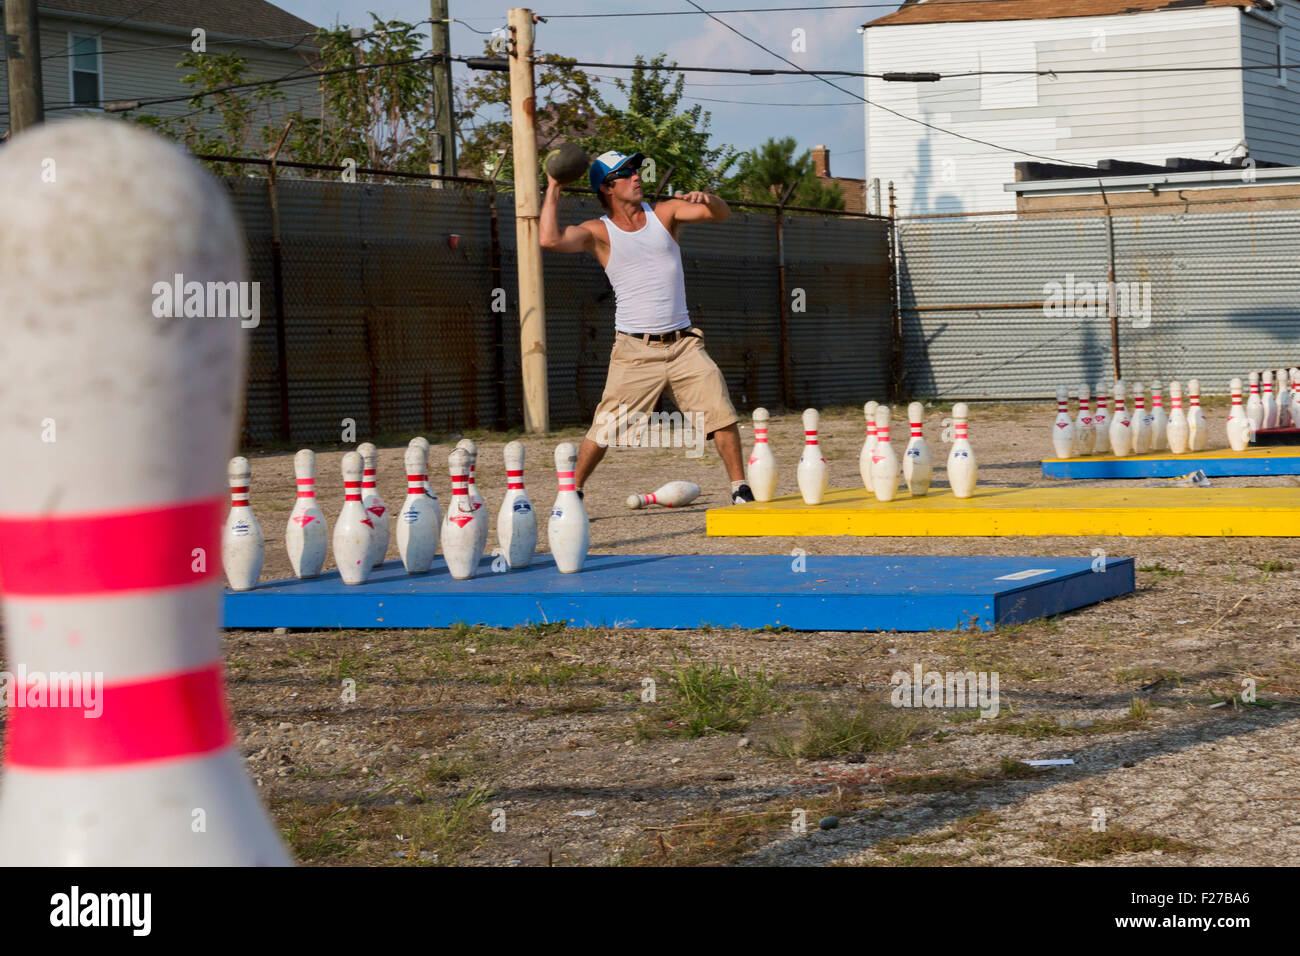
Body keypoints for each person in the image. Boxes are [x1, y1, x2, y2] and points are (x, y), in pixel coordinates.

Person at [539, 149, 754, 504]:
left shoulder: (665, 213)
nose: (637, 176)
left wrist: (709, 198)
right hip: (635, 351)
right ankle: (571, 492)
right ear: (607, 187)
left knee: (720, 412)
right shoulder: (598, 232)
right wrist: (553, 185)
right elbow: (549, 239)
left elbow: (721, 214)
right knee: (606, 427)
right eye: (626, 173)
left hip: (684, 344)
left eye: (636, 169)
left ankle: (740, 489)